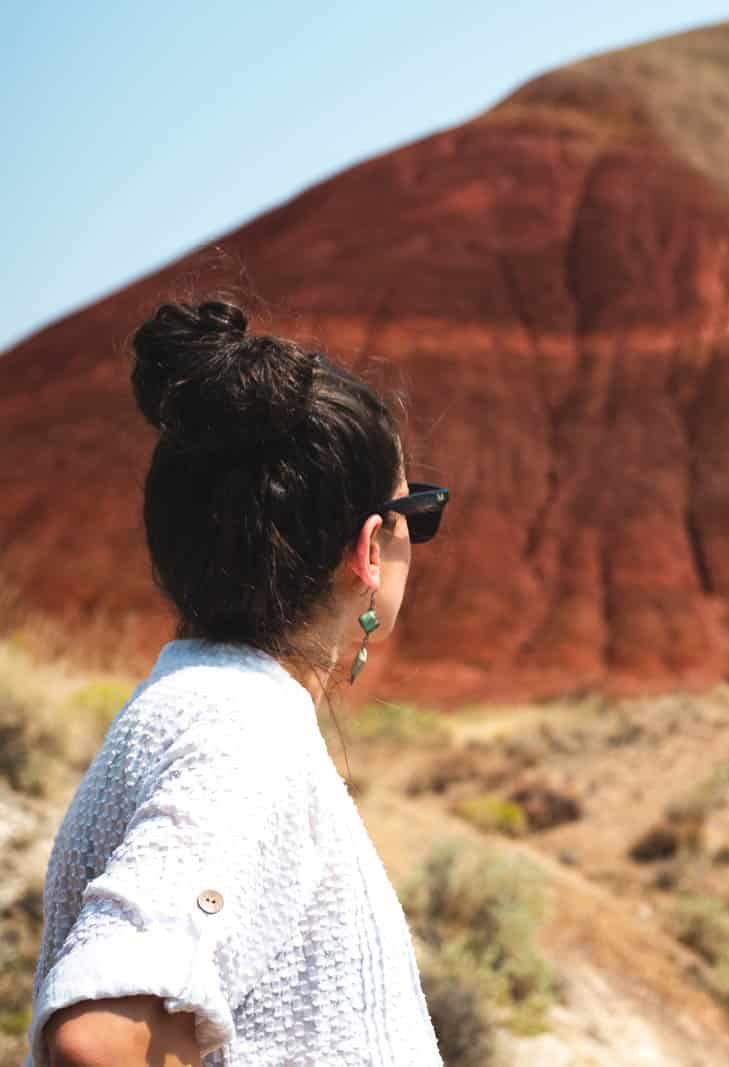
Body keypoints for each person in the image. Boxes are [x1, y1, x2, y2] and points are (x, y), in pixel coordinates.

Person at [26, 298, 451, 1065]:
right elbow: (101, 1043)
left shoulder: (195, 706)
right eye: (412, 513)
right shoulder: (242, 739)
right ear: (369, 550)